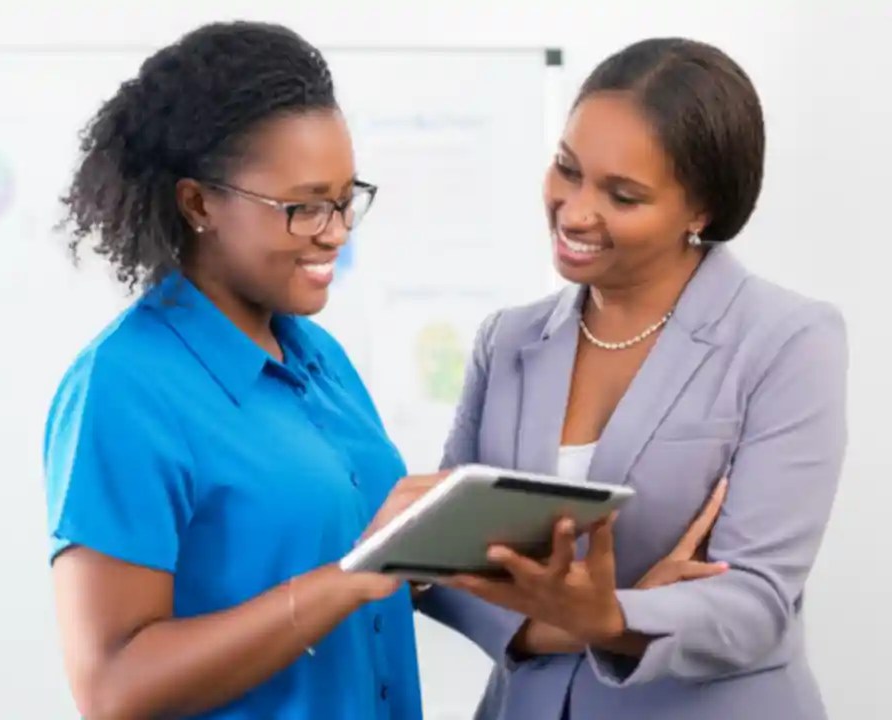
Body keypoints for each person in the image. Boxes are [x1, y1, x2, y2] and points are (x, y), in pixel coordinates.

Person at [419, 37, 849, 719]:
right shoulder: (506, 341)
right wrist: (593, 619)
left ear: (701, 211)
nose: (576, 210)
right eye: (567, 168)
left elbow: (758, 600)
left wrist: (614, 617)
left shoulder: (787, 340)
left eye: (623, 195)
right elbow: (438, 562)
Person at [41, 21, 434, 719]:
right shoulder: (124, 388)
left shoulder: (322, 360)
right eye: (304, 206)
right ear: (199, 204)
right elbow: (113, 687)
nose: (336, 232)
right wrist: (346, 581)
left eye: (345, 200)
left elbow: (359, 560)